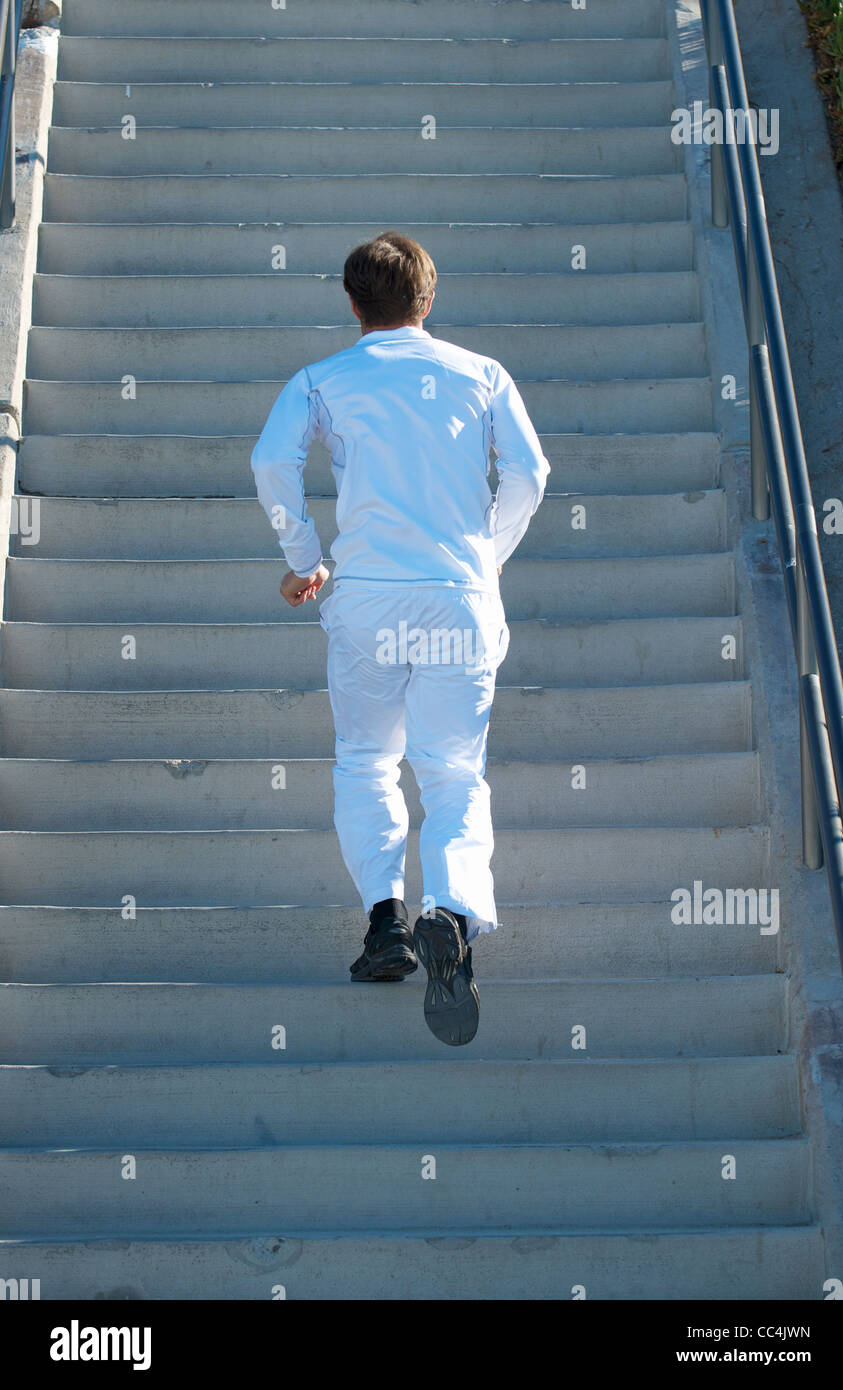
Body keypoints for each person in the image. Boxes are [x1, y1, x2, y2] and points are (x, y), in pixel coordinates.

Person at [251, 232, 549, 1045]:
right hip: (457, 597)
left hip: (367, 599)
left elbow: (269, 462)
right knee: (453, 773)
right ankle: (449, 912)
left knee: (366, 759)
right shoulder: (482, 375)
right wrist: (482, 557)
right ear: (429, 298)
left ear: (351, 304)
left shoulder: (321, 380)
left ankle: (384, 920)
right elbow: (529, 475)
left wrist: (304, 559)